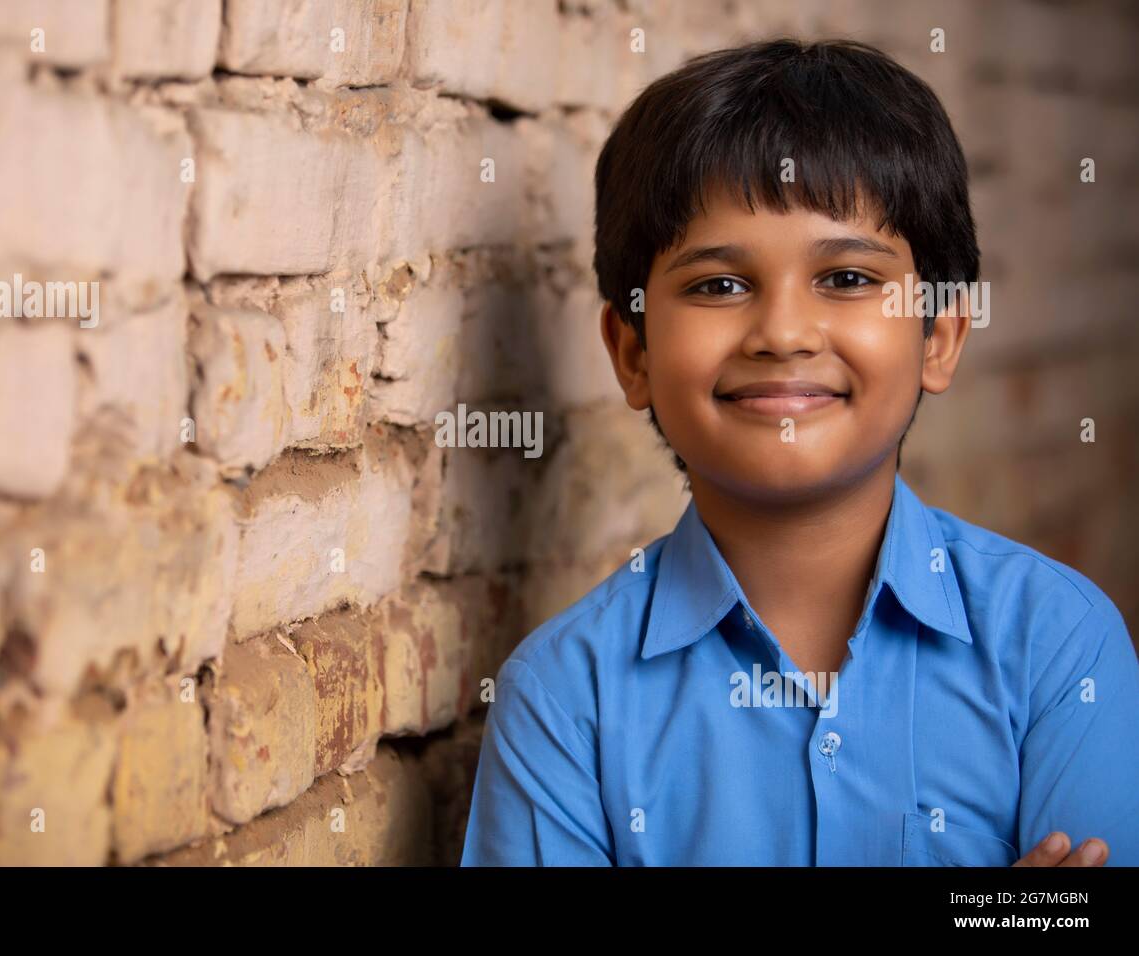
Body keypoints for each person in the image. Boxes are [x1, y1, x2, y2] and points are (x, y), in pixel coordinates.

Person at [460, 37, 1139, 866]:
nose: (782, 333)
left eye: (848, 279)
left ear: (941, 336)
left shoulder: (1058, 648)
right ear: (632, 352)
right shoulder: (564, 704)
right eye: (718, 285)